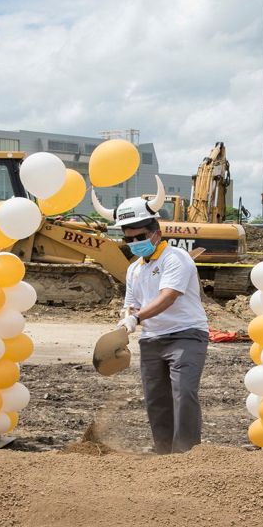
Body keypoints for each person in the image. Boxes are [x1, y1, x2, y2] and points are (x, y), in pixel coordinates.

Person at [93, 177, 209, 454]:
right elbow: (131, 303)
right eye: (128, 238)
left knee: (184, 393)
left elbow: (168, 296)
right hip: (152, 338)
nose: (134, 242)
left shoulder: (176, 259)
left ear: (156, 231)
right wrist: (125, 322)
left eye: (140, 237)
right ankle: (163, 451)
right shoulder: (135, 268)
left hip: (187, 335)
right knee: (156, 399)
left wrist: (137, 318)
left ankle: (186, 453)